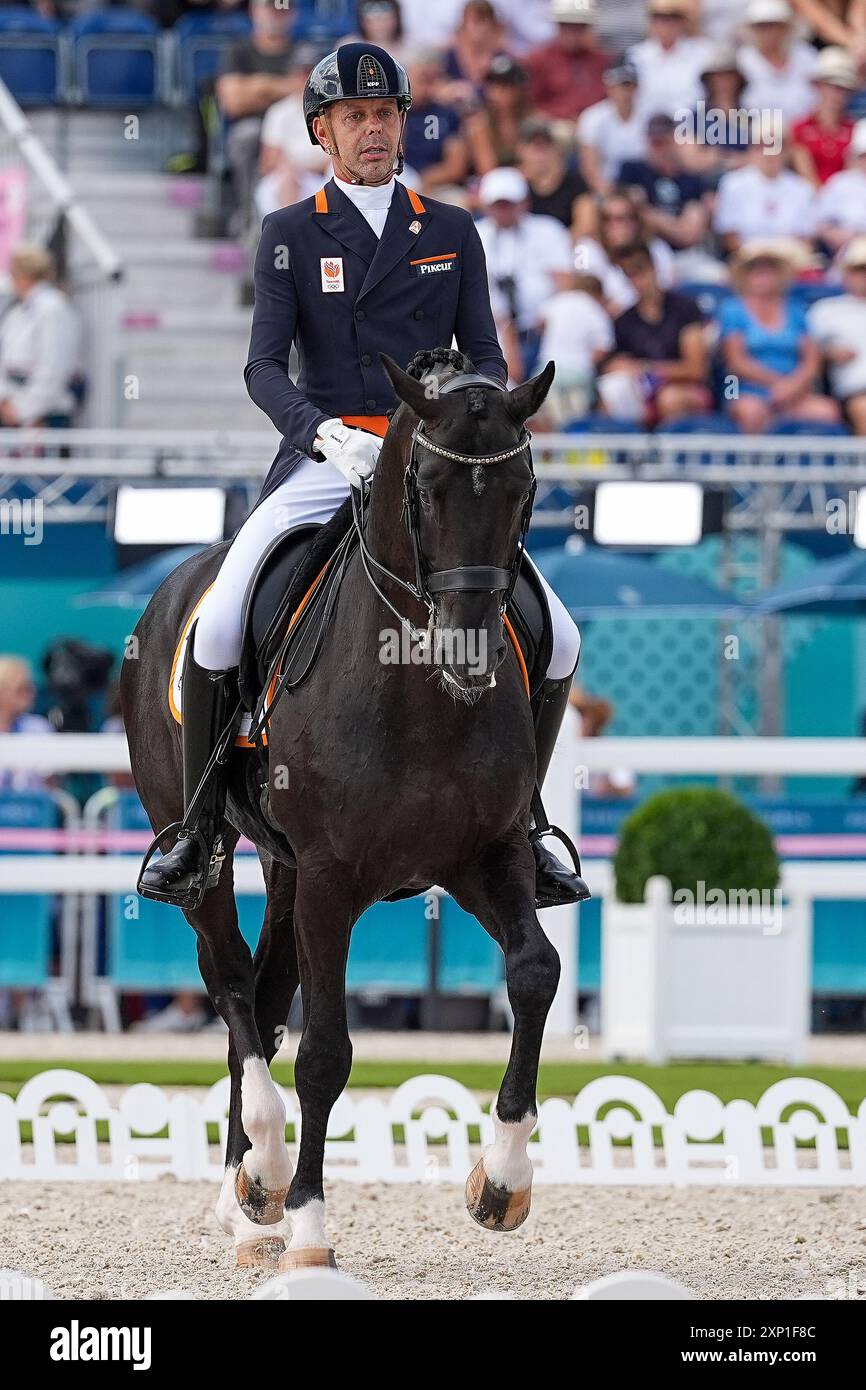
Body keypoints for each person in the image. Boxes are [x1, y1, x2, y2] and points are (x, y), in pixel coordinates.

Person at [140, 42, 588, 911]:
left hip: (431, 461)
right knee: (221, 621)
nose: (374, 129)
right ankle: (196, 830)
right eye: (355, 117)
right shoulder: (290, 233)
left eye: (386, 115)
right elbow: (264, 369)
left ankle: (528, 826)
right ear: (323, 132)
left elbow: (487, 354)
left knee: (559, 635)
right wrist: (322, 435)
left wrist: (468, 414)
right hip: (329, 455)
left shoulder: (451, 230)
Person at [719, 239, 841, 431]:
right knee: (749, 411)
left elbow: (811, 361)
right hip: (736, 386)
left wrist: (792, 386)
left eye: (769, 271)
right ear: (745, 276)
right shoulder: (732, 309)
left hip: (794, 389)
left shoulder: (796, 310)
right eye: (757, 272)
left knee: (826, 411)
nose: (763, 278)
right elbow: (736, 362)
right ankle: (752, 459)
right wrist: (778, 384)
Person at [474, 166, 575, 377]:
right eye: (498, 205)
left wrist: (546, 315)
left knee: (569, 310)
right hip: (497, 328)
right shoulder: (476, 234)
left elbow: (565, 283)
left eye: (509, 204)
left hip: (543, 326)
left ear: (524, 203)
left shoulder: (548, 229)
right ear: (487, 206)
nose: (504, 211)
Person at [598, 239, 711, 425]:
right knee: (609, 397)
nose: (637, 280)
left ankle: (671, 454)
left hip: (687, 389)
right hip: (644, 393)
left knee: (670, 399)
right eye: (629, 274)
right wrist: (618, 367)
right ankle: (627, 453)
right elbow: (621, 366)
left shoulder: (685, 308)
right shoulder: (623, 322)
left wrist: (645, 368)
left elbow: (696, 369)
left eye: (640, 270)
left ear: (654, 268)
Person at [216, 0, 298, 236]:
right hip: (253, 128)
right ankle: (251, 222)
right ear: (254, 11)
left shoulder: (301, 51)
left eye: (282, 8)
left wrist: (259, 87)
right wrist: (284, 89)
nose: (276, 14)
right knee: (247, 137)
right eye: (269, 7)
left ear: (293, 13)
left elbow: (307, 93)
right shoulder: (238, 51)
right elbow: (233, 103)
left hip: (294, 128)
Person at [0, 245, 79, 428]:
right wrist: (5, 400)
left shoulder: (54, 308)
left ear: (25, 275)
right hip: (13, 405)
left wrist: (22, 409)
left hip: (45, 413)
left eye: (13, 273)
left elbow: (54, 368)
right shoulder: (18, 310)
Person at [617, 113, 709, 251]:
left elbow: (688, 234)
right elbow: (624, 215)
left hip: (683, 254)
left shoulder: (691, 180)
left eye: (665, 142)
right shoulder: (631, 171)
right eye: (655, 142)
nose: (660, 149)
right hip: (641, 249)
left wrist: (647, 211)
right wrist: (674, 224)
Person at [714, 133, 818, 254]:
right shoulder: (733, 183)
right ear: (751, 150)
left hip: (789, 260)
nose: (769, 153)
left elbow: (806, 238)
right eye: (762, 147)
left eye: (776, 147)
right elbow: (729, 236)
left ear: (786, 152)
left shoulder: (802, 188)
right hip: (746, 260)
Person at [574, 189, 677, 313]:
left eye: (623, 218)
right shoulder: (584, 249)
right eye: (607, 218)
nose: (615, 225)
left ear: (636, 220)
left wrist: (624, 301)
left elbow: (665, 289)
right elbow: (585, 289)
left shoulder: (657, 247)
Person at [537, 272, 613, 425]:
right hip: (578, 372)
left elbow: (540, 321)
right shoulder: (595, 309)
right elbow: (603, 348)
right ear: (598, 293)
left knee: (551, 421)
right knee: (575, 422)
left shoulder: (560, 300)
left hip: (549, 369)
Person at [808, 236, 866, 433]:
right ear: (846, 273)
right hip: (856, 389)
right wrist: (828, 353)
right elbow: (807, 352)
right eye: (860, 269)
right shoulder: (826, 310)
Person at [524, 0, 612, 127]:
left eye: (578, 27)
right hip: (555, 127)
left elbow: (610, 101)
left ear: (586, 28)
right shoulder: (539, 59)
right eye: (567, 26)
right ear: (559, 26)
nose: (572, 33)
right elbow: (530, 105)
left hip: (595, 125)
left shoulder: (602, 61)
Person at [626, 0, 714, 121]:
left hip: (690, 124)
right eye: (658, 18)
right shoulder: (637, 55)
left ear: (682, 23)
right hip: (648, 127)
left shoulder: (702, 52)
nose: (664, 24)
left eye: (671, 19)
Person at [739, 0, 819, 123]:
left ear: (786, 28)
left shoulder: (806, 56)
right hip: (757, 135)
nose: (767, 32)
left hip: (803, 133)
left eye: (773, 26)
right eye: (761, 27)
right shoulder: (742, 61)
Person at [400, 51, 468, 192]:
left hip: (437, 186)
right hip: (397, 180)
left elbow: (455, 167)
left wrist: (424, 180)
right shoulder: (393, 111)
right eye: (422, 80)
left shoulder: (448, 114)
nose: (427, 88)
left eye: (433, 81)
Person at [790, 46, 858, 187]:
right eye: (831, 86)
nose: (836, 94)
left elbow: (853, 173)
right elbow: (806, 176)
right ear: (819, 86)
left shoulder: (855, 130)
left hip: (846, 202)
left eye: (842, 89)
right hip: (812, 202)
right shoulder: (800, 127)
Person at [576, 61, 646, 196]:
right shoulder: (592, 117)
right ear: (609, 88)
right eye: (620, 86)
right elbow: (589, 163)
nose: (625, 92)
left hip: (643, 186)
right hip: (608, 185)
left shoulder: (649, 115)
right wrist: (604, 191)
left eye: (629, 86)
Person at [517, 118, 587, 234]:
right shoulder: (516, 184)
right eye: (534, 147)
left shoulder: (574, 183)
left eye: (545, 146)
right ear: (521, 151)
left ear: (556, 148)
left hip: (566, 246)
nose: (540, 154)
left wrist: (554, 247)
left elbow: (586, 224)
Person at [0, 656, 54, 794]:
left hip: (32, 811)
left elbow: (50, 782)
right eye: (22, 688)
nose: (31, 693)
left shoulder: (38, 727)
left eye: (30, 687)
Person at [814, 118, 866, 255]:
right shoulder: (840, 183)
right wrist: (841, 237)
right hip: (847, 251)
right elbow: (821, 223)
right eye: (864, 155)